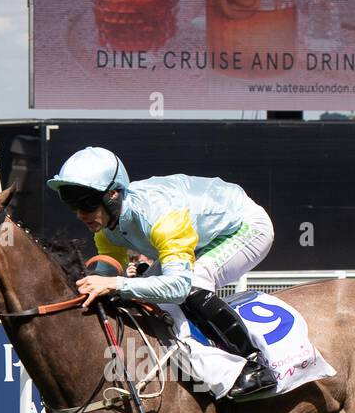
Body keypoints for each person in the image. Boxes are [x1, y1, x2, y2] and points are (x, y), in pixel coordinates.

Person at [47, 146, 277, 399]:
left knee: (193, 283)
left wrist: (115, 284)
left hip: (245, 227)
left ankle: (256, 364)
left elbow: (177, 288)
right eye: (72, 206)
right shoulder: (105, 228)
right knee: (141, 291)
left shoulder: (159, 217)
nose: (81, 215)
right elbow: (108, 273)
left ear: (113, 195)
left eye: (87, 205)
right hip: (201, 237)